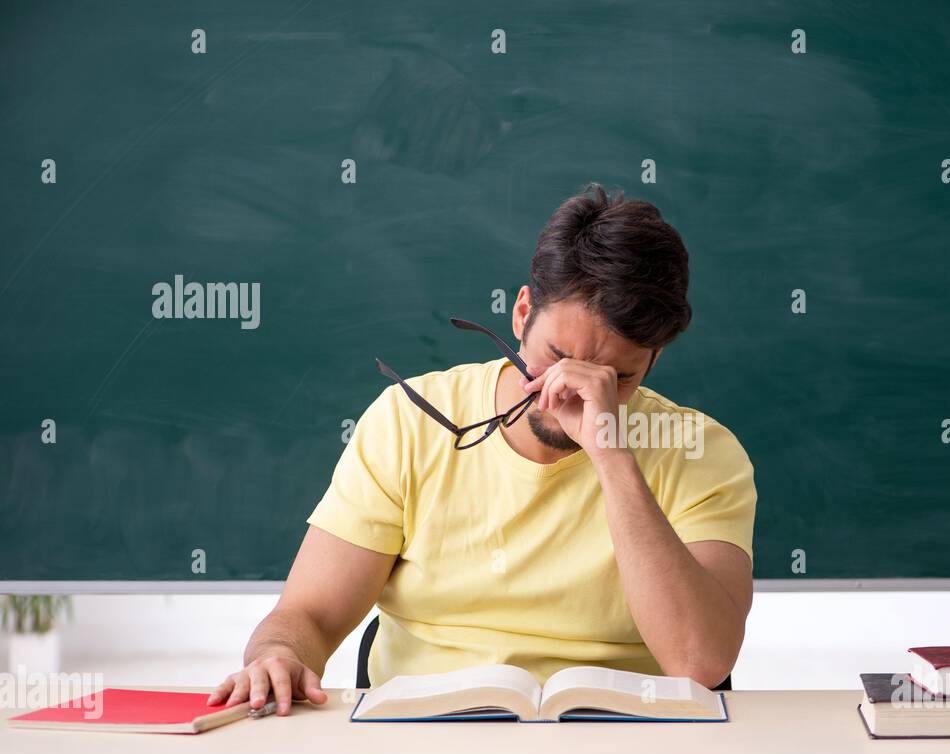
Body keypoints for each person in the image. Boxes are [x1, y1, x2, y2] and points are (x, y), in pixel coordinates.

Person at [209, 183, 757, 715]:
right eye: (557, 357)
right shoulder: (407, 421)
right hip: (423, 741)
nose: (569, 392)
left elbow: (699, 662)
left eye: (617, 379)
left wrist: (613, 459)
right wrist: (278, 656)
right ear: (522, 313)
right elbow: (308, 615)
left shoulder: (699, 450)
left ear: (655, 359)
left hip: (623, 742)